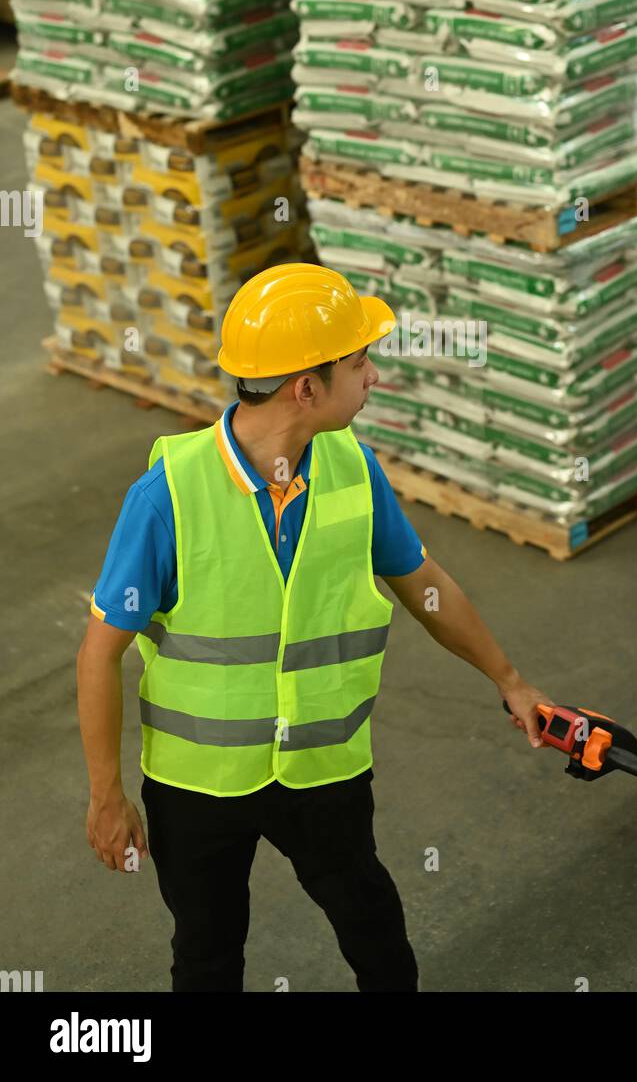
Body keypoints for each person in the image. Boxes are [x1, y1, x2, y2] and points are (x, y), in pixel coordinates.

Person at [77, 263, 554, 992]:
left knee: (376, 933)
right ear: (307, 387)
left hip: (322, 770)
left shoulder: (353, 471)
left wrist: (511, 681)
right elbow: (98, 656)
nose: (372, 379)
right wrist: (107, 795)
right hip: (198, 786)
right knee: (206, 958)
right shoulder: (169, 494)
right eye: (359, 364)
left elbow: (424, 586)